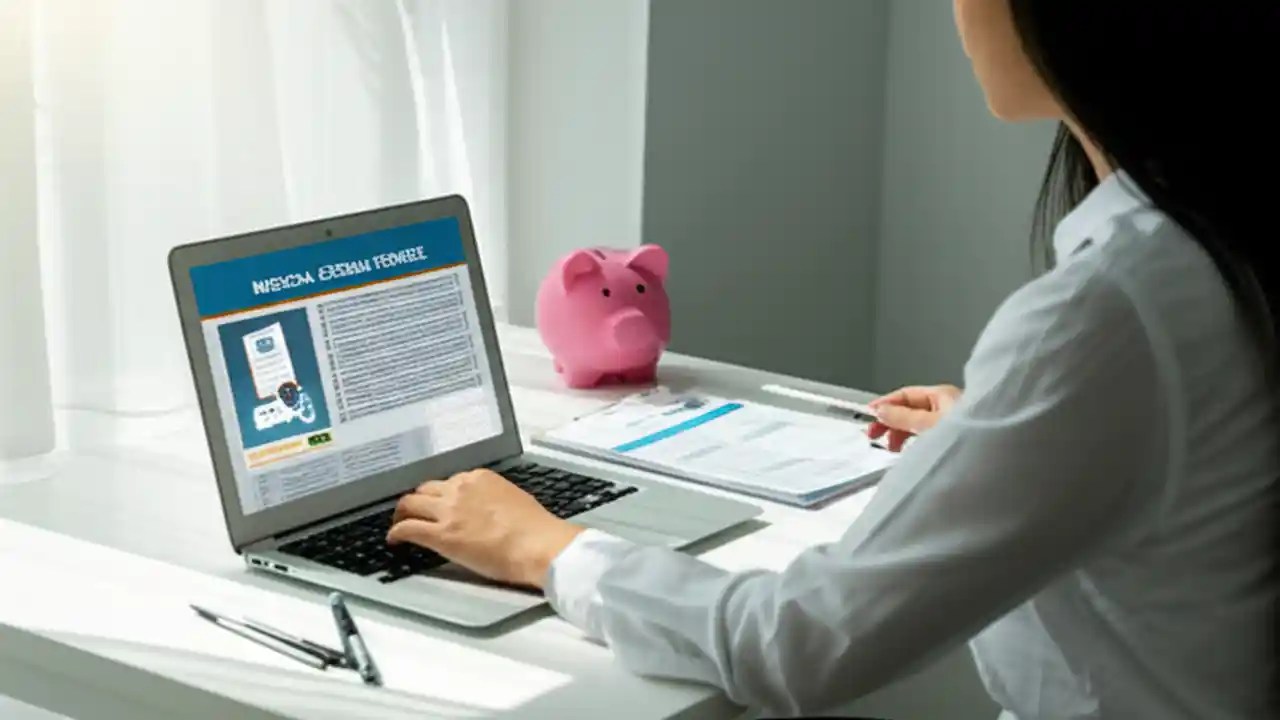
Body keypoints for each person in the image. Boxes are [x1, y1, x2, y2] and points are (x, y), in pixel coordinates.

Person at [386, 2, 1278, 718]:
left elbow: (802, 644)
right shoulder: (1199, 254)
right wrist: (1011, 435)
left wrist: (547, 548)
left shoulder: (1109, 310)